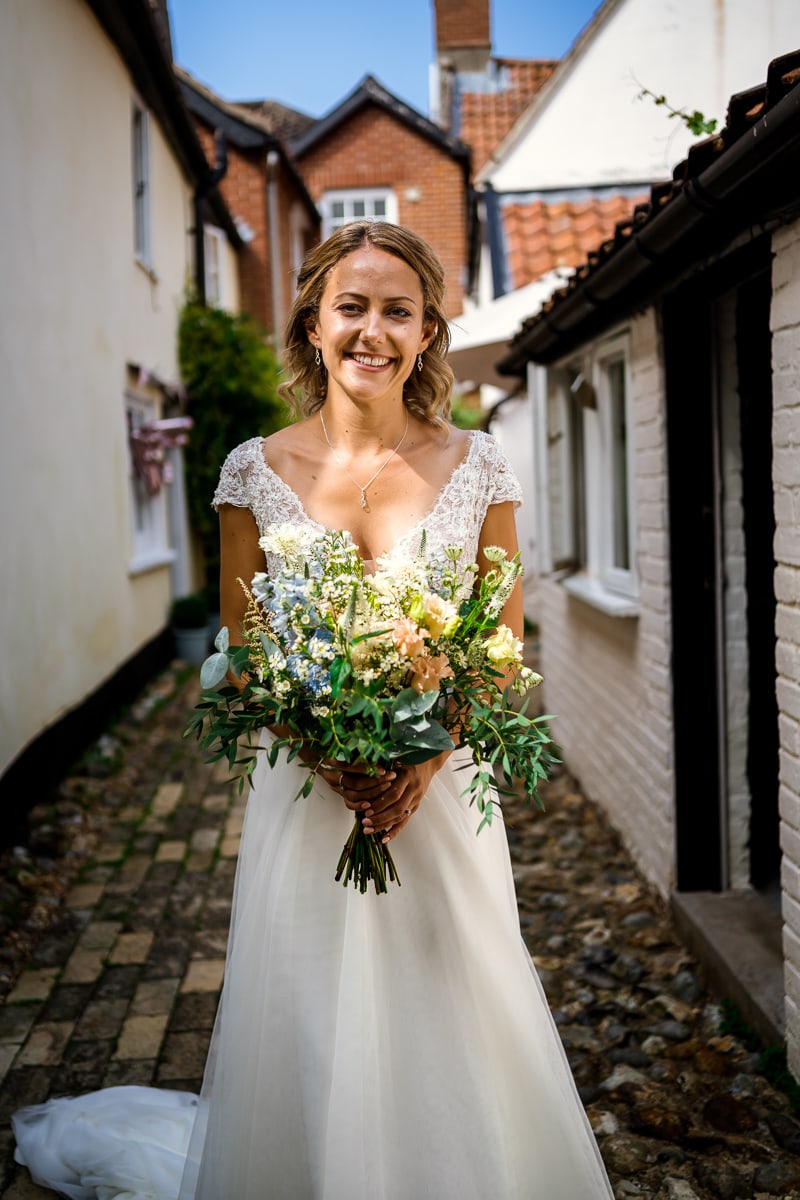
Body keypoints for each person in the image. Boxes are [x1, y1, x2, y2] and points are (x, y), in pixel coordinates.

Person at [12, 222, 614, 1199]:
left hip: (440, 799)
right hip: (306, 797)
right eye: (351, 306)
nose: (371, 330)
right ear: (310, 321)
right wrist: (325, 749)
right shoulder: (254, 472)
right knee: (311, 1011)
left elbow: (500, 647)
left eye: (396, 310)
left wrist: (420, 756)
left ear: (425, 333)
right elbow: (243, 654)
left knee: (454, 1001)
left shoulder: (479, 465)